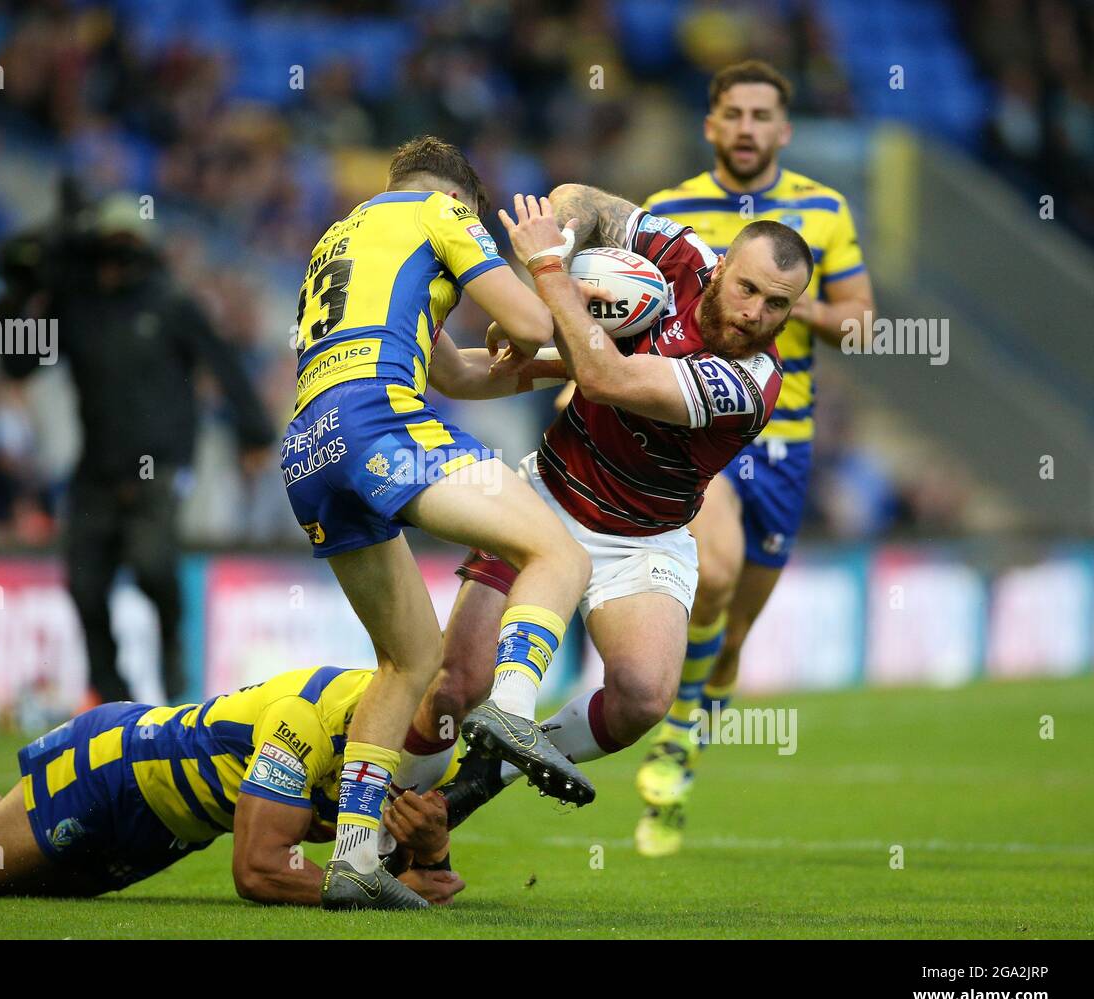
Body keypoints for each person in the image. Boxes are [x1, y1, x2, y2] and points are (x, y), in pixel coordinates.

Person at [397, 190, 810, 836]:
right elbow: (575, 199)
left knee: (644, 697)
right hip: (549, 497)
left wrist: (548, 279)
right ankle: (379, 829)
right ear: (724, 264)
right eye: (749, 288)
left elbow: (604, 379)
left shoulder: (752, 382)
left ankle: (472, 790)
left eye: (778, 304)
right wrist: (557, 253)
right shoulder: (683, 255)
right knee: (457, 684)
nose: (756, 313)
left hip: (644, 537)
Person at [283, 136, 593, 909]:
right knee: (554, 551)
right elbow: (529, 321)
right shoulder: (441, 213)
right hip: (380, 422)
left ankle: (354, 858)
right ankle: (514, 709)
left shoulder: (341, 236)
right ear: (464, 202)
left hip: (310, 448)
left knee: (406, 662)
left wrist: (585, 367)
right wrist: (546, 277)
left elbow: (455, 371)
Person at [636, 60, 873, 855]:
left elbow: (860, 323)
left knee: (734, 635)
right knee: (720, 567)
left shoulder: (825, 209)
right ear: (710, 125)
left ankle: (682, 752)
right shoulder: (668, 210)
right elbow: (634, 314)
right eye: (731, 112)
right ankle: (665, 728)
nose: (745, 127)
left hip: (787, 439)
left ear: (784, 129)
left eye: (760, 114)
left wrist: (772, 292)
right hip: (701, 421)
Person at [0, 665, 462, 907]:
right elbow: (260, 869)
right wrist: (384, 892)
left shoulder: (422, 745)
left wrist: (428, 851)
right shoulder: (308, 717)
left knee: (2, 872)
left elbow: (401, 869)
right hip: (113, 772)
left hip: (163, 830)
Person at [0, 195, 276, 705]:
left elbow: (224, 363)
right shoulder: (75, 305)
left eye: (125, 248)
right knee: (84, 586)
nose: (115, 263)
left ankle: (172, 670)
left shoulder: (170, 303)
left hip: (160, 468)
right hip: (95, 470)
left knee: (152, 566)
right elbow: (17, 365)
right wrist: (18, 299)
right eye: (108, 249)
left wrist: (254, 432)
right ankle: (112, 694)